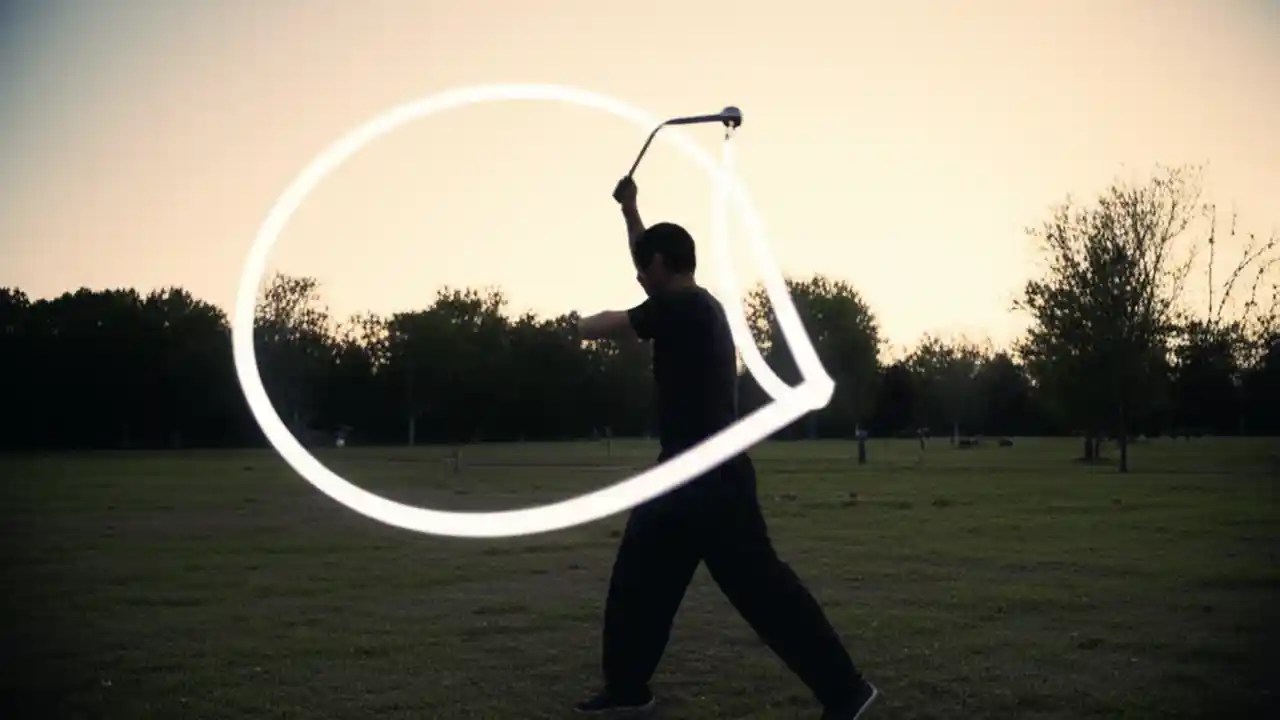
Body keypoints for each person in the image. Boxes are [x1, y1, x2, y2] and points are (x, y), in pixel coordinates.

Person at [572, 176, 878, 719]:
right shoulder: (689, 302)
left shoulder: (683, 307)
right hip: (687, 477)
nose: (640, 275)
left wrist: (562, 328)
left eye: (647, 267)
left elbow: (612, 324)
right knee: (639, 582)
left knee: (762, 591)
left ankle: (847, 690)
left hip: (709, 481)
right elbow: (645, 265)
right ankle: (626, 690)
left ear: (665, 265)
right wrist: (630, 210)